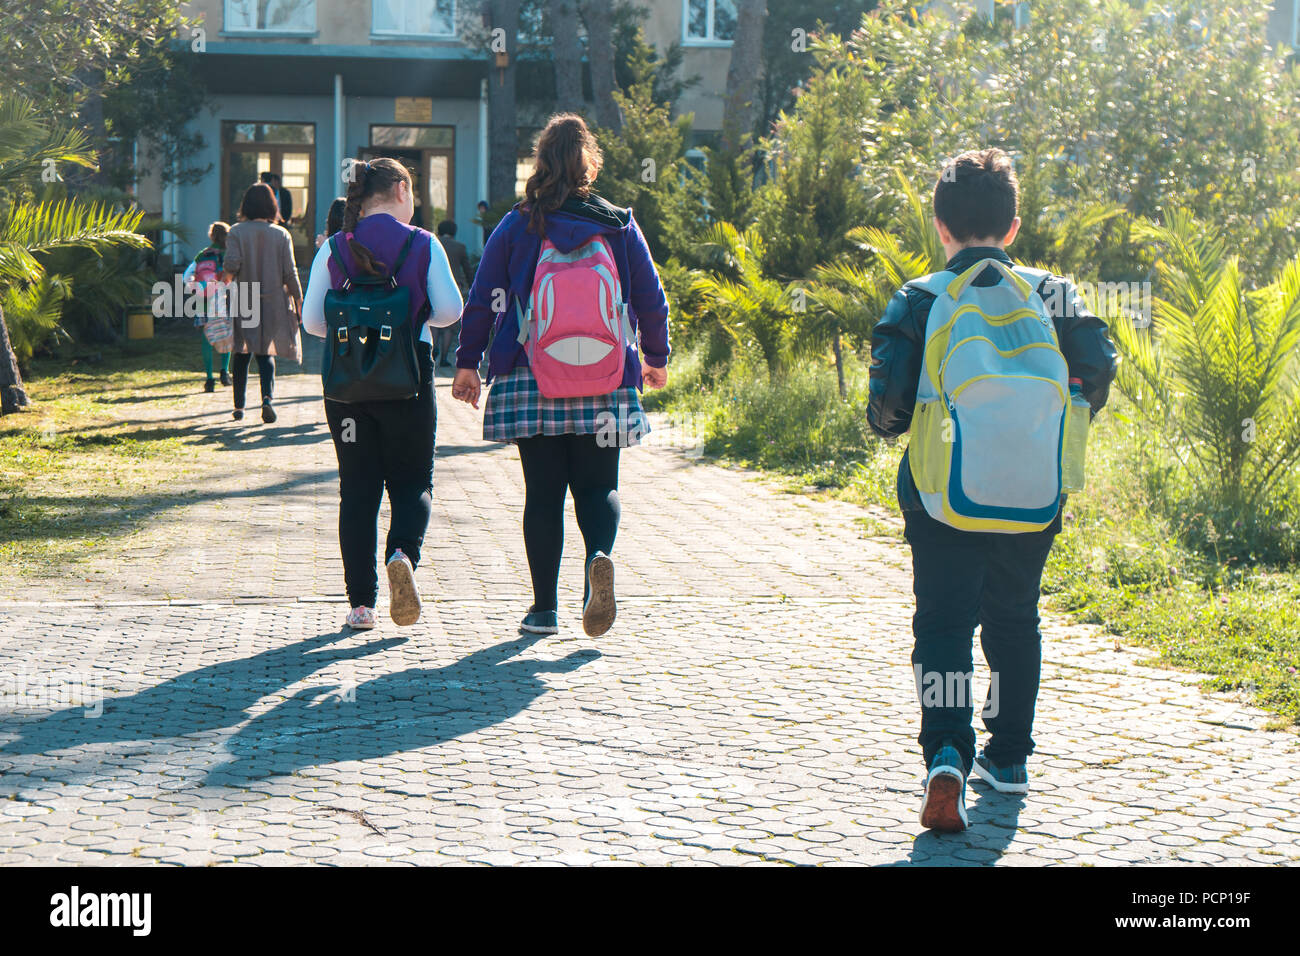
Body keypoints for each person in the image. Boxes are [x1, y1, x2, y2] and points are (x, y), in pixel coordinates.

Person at [867, 148, 1118, 832]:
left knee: (944, 623)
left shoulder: (920, 297)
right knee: (1014, 620)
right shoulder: (1055, 294)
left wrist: (895, 420)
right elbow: (1097, 370)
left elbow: (888, 408)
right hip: (1035, 489)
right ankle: (1008, 758)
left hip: (938, 489)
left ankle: (946, 750)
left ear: (940, 225)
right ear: (1013, 227)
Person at [452, 113, 670, 638]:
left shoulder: (517, 223)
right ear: (587, 163)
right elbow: (649, 297)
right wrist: (655, 357)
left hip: (532, 373)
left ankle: (543, 610)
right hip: (607, 375)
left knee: (543, 494)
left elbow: (483, 299)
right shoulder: (618, 224)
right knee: (599, 488)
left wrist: (468, 362)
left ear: (541, 163)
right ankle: (598, 558)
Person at [301, 157, 463, 631]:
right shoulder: (422, 243)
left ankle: (360, 605)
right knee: (412, 483)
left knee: (357, 490)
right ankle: (402, 556)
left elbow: (313, 322)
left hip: (347, 388)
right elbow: (451, 310)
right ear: (398, 190)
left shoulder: (333, 247)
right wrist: (412, 314)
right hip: (408, 380)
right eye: (411, 192)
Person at [222, 182, 303, 423]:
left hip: (244, 299)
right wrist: (299, 300)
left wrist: (224, 280)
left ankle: (239, 407)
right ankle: (267, 399)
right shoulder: (281, 234)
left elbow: (232, 264)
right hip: (273, 302)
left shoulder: (236, 231)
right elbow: (290, 272)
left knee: (241, 354)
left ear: (245, 205)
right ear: (272, 206)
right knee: (266, 354)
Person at [181, 221, 231, 392]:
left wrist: (196, 289)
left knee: (207, 340)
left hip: (204, 302)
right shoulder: (229, 254)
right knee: (226, 336)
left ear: (211, 235)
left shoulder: (203, 254)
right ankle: (225, 371)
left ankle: (209, 379)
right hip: (224, 301)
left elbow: (186, 277)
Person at [434, 219, 472, 368]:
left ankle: (432, 350)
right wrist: (471, 284)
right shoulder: (460, 247)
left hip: (433, 284)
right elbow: (467, 269)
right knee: (449, 326)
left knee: (434, 322)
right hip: (453, 286)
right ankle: (444, 358)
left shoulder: (433, 242)